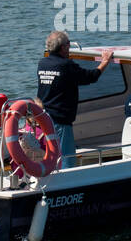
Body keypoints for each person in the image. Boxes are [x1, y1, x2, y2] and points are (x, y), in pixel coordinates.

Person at [37, 31, 113, 169]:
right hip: (61, 120)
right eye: (68, 44)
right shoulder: (66, 65)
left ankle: (51, 175)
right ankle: (65, 184)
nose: (69, 47)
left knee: (51, 153)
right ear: (63, 47)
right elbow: (90, 77)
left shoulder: (43, 63)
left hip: (44, 117)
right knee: (68, 159)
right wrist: (105, 62)